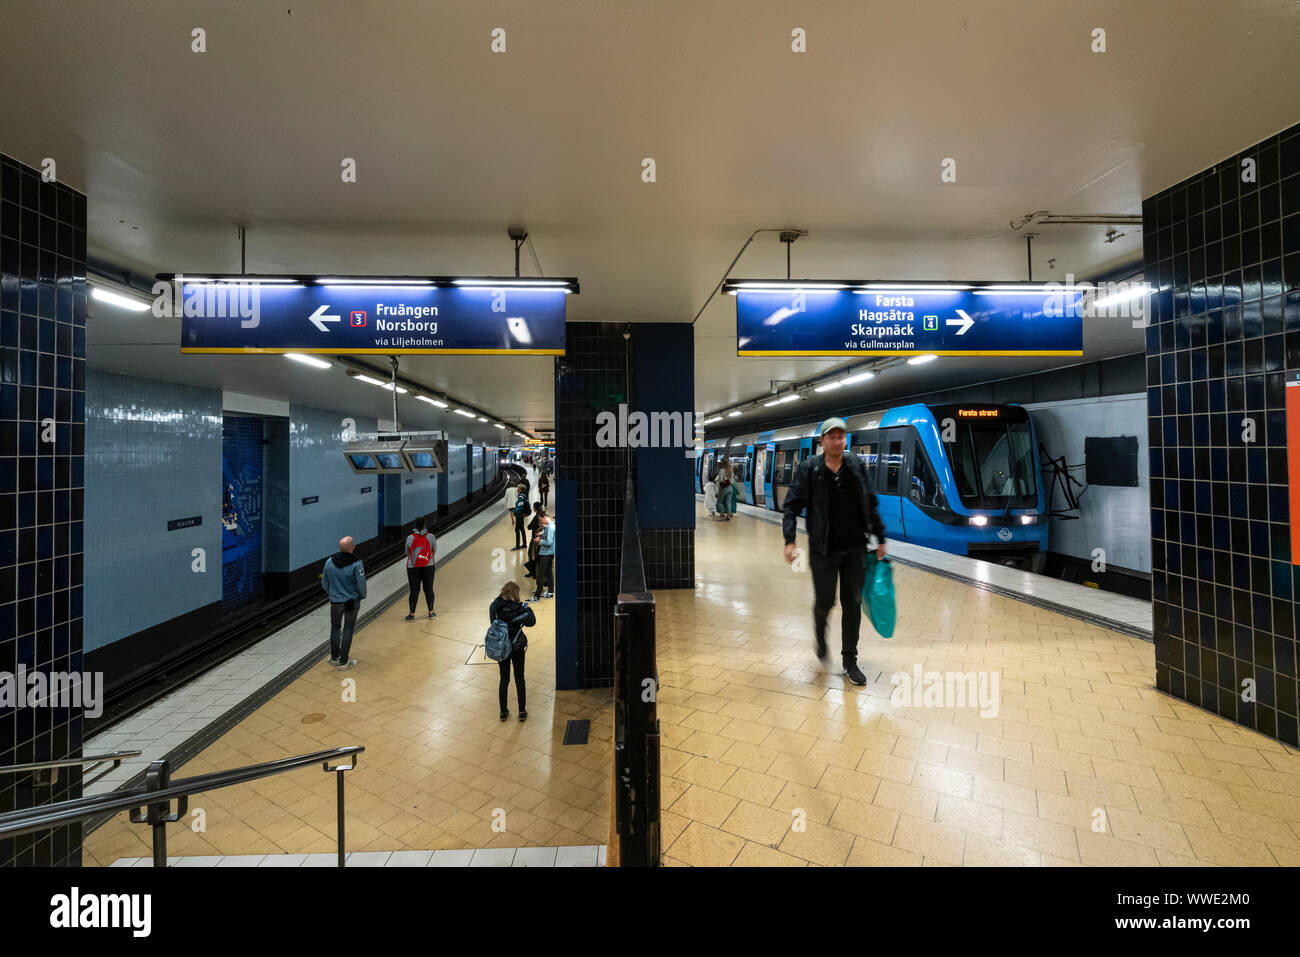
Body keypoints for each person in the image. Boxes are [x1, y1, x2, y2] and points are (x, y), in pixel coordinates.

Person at [782, 417, 886, 686]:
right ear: (822, 441)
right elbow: (791, 506)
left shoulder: (856, 466)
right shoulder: (810, 469)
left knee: (852, 604)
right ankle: (819, 633)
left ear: (845, 440)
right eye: (832, 437)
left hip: (855, 549)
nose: (837, 441)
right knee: (826, 602)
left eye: (841, 436)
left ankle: (850, 660)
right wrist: (790, 540)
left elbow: (870, 503)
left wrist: (880, 537)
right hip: (823, 550)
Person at [491, 581, 536, 721]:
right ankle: (522, 712)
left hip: (501, 647)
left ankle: (503, 712)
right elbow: (531, 622)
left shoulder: (494, 606)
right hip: (516, 647)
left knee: (504, 679)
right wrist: (527, 608)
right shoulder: (519, 608)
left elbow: (492, 623)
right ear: (516, 593)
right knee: (519, 678)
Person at [321, 535, 367, 669]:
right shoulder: (356, 563)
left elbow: (324, 583)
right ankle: (344, 661)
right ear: (352, 547)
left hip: (336, 602)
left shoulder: (329, 561)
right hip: (351, 601)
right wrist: (362, 595)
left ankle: (335, 658)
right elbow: (361, 584)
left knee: (335, 628)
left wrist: (333, 594)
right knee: (348, 629)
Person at [403, 518, 437, 621]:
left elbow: (407, 552)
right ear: (425, 525)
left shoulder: (410, 538)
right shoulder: (431, 537)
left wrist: (414, 559)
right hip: (429, 566)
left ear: (415, 526)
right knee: (428, 589)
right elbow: (434, 550)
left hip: (413, 568)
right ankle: (431, 613)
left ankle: (412, 614)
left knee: (414, 591)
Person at [530, 512, 555, 601]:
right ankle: (550, 591)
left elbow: (549, 542)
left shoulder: (550, 527)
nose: (541, 523)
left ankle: (537, 596)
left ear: (544, 517)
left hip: (546, 553)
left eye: (541, 520)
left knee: (540, 574)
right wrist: (542, 534)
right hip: (548, 553)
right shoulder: (550, 525)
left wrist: (539, 541)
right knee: (548, 573)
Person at [524, 502, 544, 578]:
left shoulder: (536, 517)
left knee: (531, 553)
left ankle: (533, 572)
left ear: (535, 508)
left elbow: (530, 526)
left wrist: (529, 526)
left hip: (535, 537)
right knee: (538, 554)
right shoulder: (543, 514)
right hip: (542, 537)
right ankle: (537, 571)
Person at [512, 483, 529, 549]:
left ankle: (517, 546)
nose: (517, 488)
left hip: (519, 515)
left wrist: (515, 513)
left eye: (518, 487)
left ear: (521, 489)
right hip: (521, 515)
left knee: (517, 530)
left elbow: (520, 507)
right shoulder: (523, 495)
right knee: (521, 529)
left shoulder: (521, 497)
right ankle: (524, 544)